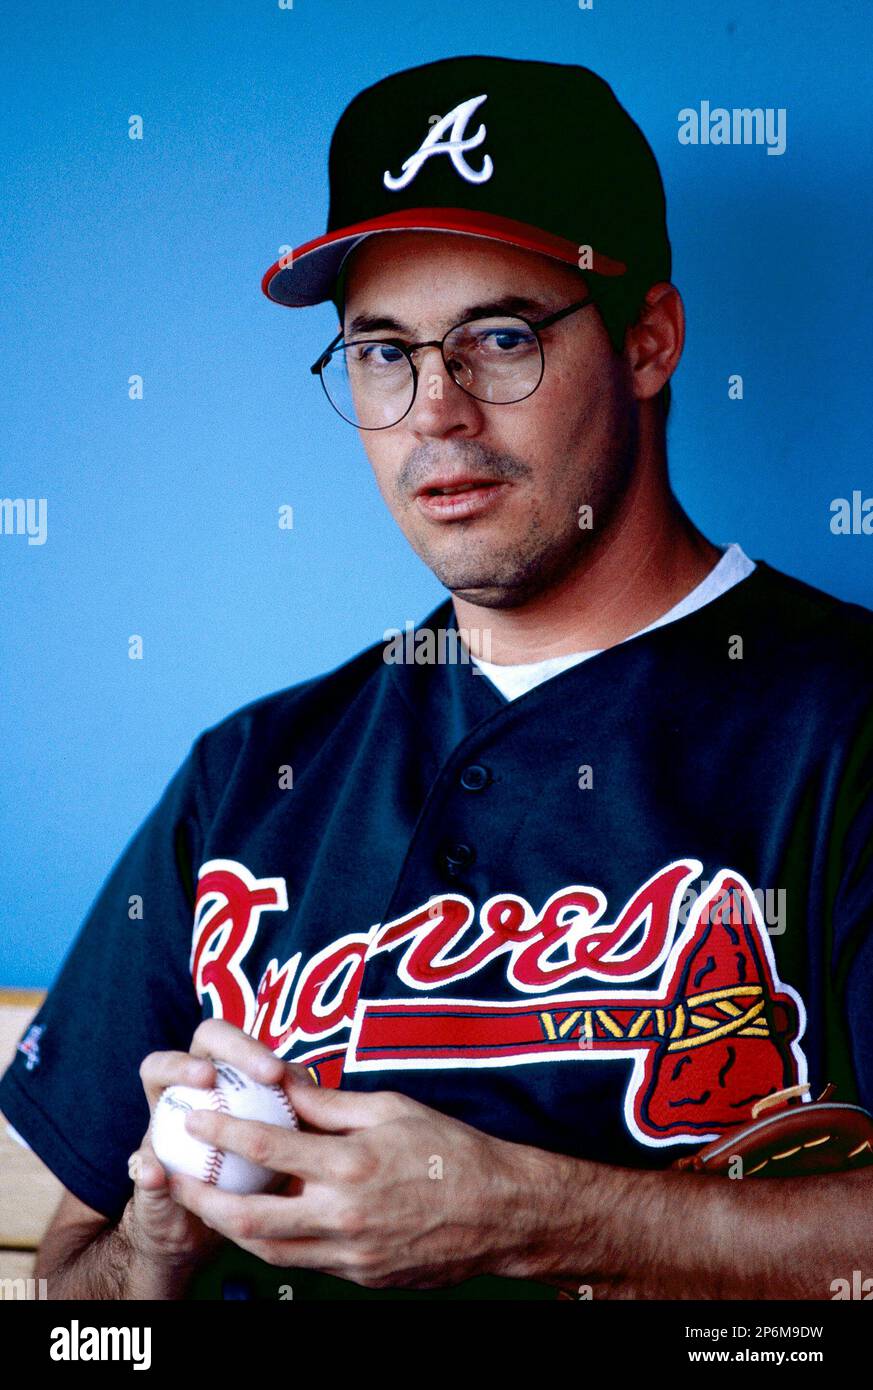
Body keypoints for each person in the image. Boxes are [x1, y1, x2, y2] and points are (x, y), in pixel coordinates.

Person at [2, 54, 872, 1303]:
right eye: (381, 353)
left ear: (648, 340)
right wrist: (160, 1239)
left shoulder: (843, 723)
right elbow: (72, 1295)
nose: (435, 412)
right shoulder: (248, 771)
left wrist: (535, 1217)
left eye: (500, 337)